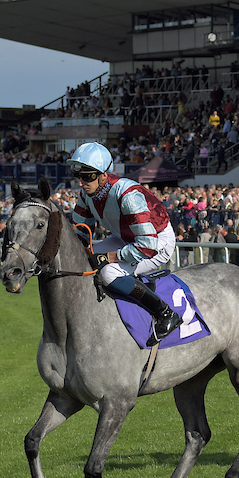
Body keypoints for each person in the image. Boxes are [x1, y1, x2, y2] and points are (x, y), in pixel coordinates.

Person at [68, 141, 182, 344]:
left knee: (108, 272)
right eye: (79, 176)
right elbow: (80, 233)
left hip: (157, 243)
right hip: (125, 238)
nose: (82, 182)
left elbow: (147, 246)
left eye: (88, 176)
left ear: (103, 175)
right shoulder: (86, 195)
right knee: (83, 260)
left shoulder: (128, 195)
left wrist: (109, 257)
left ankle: (164, 312)